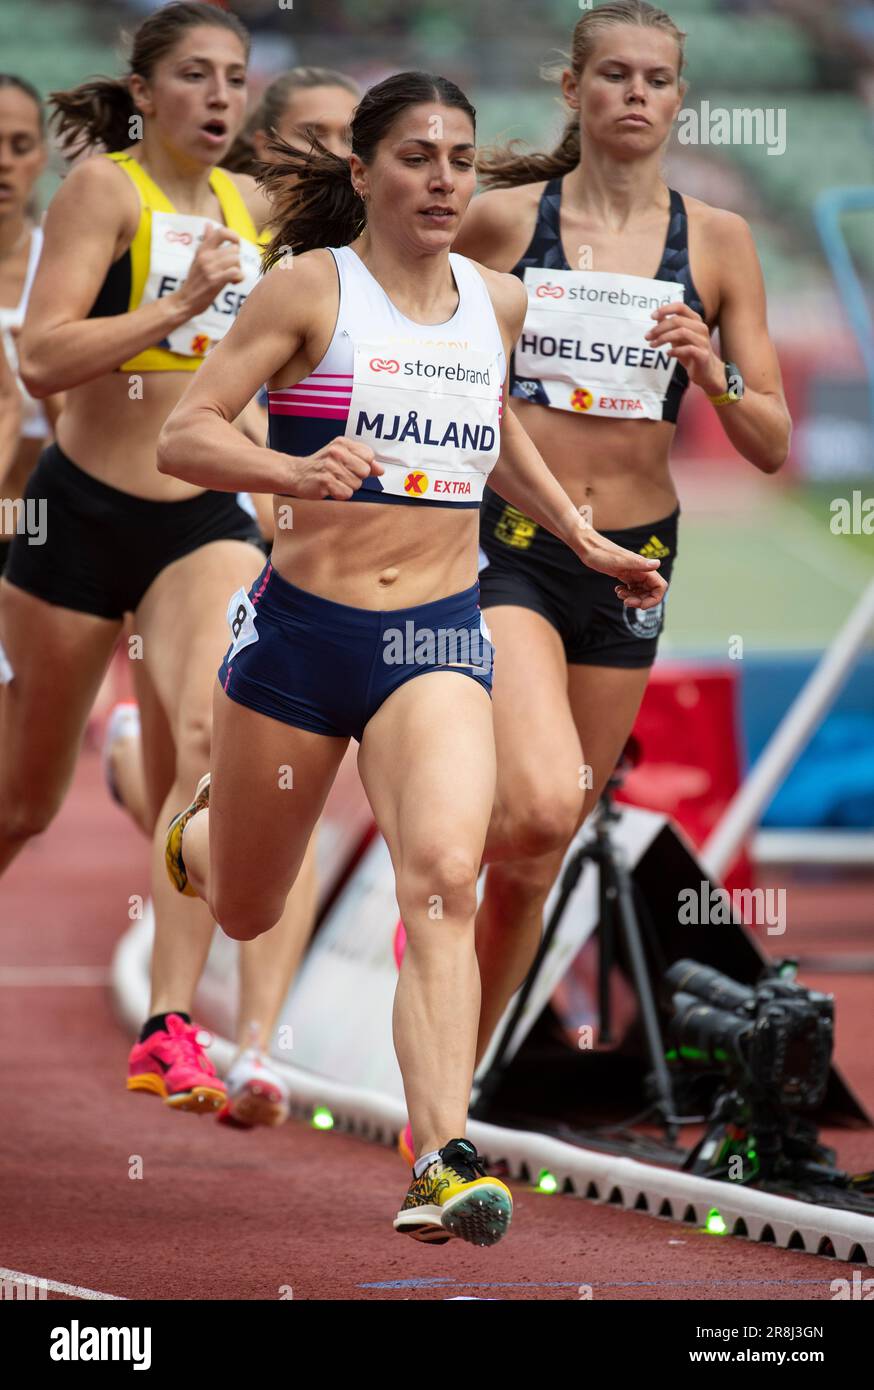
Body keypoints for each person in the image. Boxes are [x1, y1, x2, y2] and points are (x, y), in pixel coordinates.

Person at [157, 70, 666, 1245]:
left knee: (442, 877)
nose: (441, 180)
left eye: (458, 159)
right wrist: (289, 471)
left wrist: (585, 540)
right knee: (242, 904)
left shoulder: (493, 301)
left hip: (435, 635)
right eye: (416, 157)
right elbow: (189, 434)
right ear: (363, 172)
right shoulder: (306, 292)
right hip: (299, 637)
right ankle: (194, 830)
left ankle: (440, 1152)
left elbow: (492, 431)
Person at [446, 0, 791, 1087]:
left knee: (542, 846)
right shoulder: (504, 220)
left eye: (657, 79)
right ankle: (434, 884)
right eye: (615, 77)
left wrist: (712, 371)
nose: (637, 95)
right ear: (574, 92)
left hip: (638, 558)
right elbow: (402, 311)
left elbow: (770, 438)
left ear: (679, 98)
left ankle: (448, 1086)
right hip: (516, 540)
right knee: (542, 800)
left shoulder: (718, 242)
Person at [3, 2, 307, 1127]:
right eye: (195, 76)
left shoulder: (257, 208)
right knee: (24, 800)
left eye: (235, 77)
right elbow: (42, 358)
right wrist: (173, 305)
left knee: (198, 732)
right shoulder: (104, 194)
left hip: (201, 522)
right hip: (79, 516)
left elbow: (271, 374)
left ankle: (170, 1023)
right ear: (145, 92)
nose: (222, 98)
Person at [99, 62, 362, 1126]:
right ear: (261, 149)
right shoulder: (233, 252)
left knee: (262, 795)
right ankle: (175, 1014)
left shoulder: (380, 267)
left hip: (319, 561)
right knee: (199, 760)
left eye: (352, 137)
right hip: (215, 532)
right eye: (311, 138)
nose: (336, 158)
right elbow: (192, 407)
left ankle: (256, 1048)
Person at [0, 75, 60, 577]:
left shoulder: (65, 268)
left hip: (48, 524)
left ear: (41, 157)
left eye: (19, 146)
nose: (4, 161)